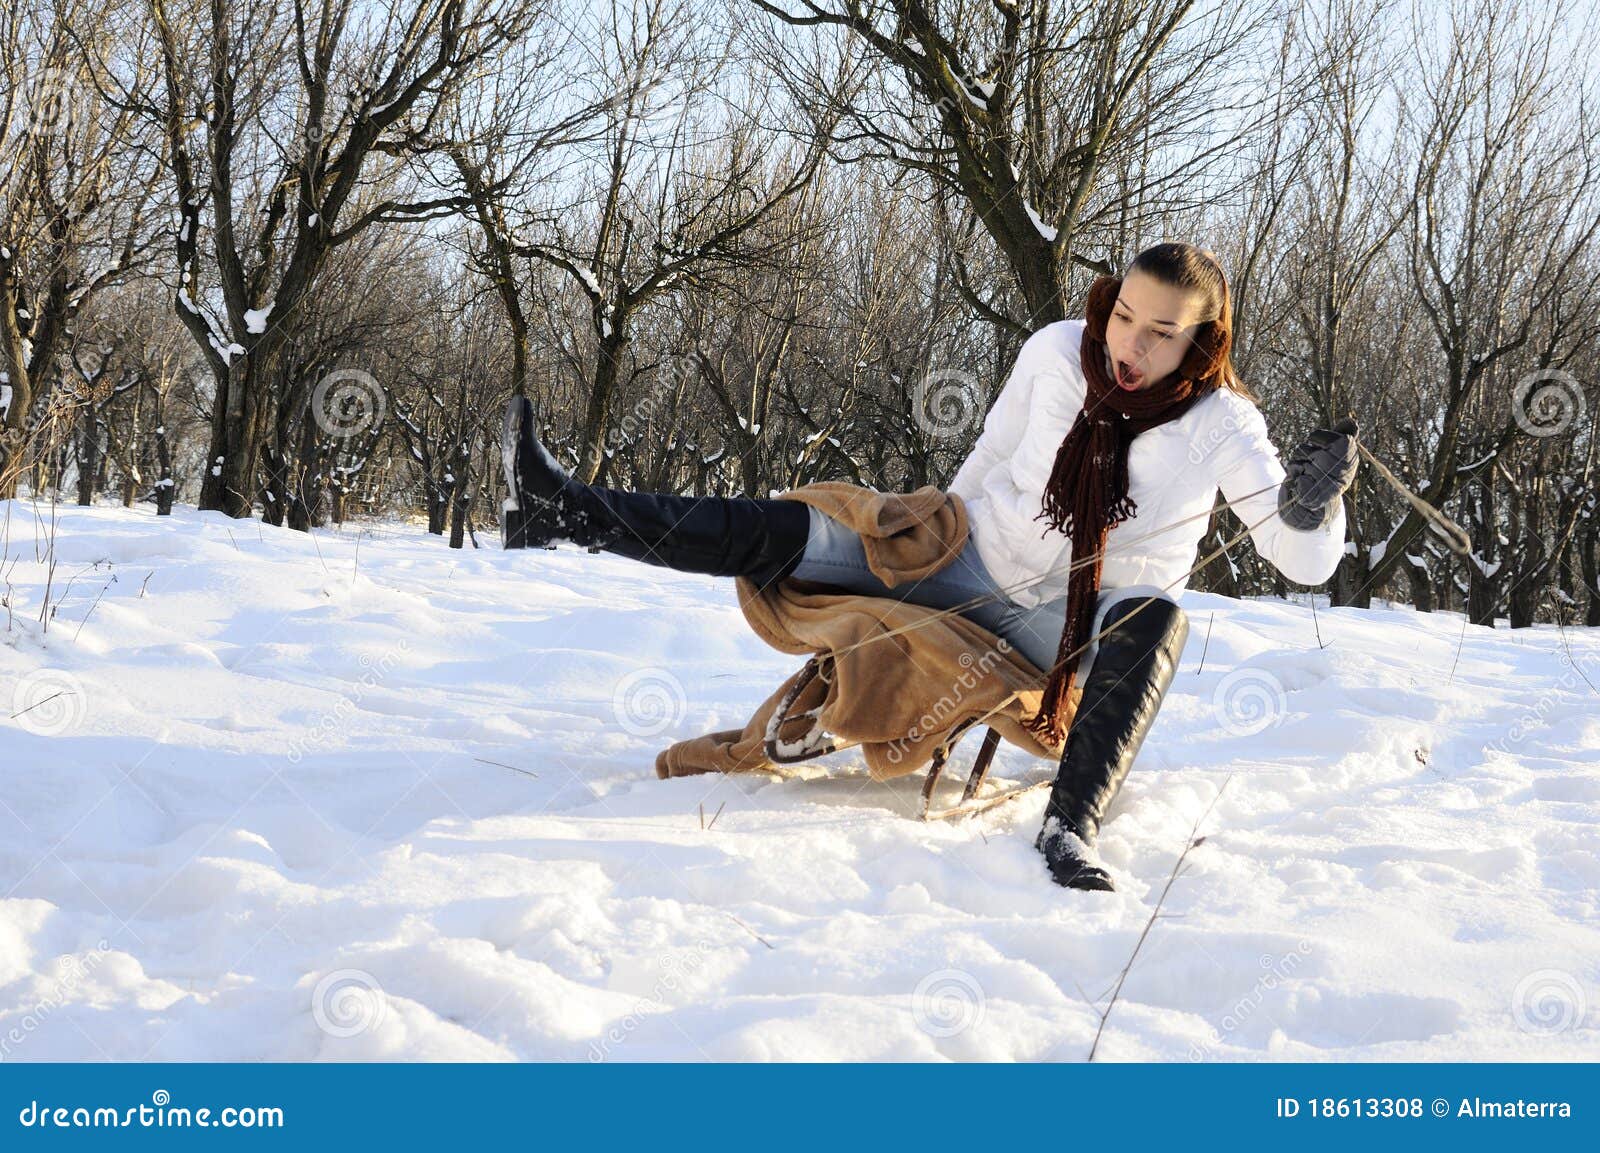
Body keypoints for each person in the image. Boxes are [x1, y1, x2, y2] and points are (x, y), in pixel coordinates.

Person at [499, 240, 1358, 892]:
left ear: (1204, 339)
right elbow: (990, 455)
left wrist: (1316, 508)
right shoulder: (1059, 350)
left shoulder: (1224, 424)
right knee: (805, 528)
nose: (1130, 340)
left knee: (1157, 615)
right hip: (973, 561)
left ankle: (1069, 829)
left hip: (1066, 638)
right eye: (1124, 312)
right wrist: (926, 536)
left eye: (1162, 331)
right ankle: (561, 510)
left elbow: (1299, 556)